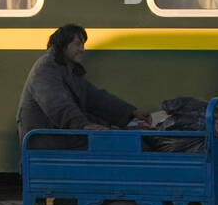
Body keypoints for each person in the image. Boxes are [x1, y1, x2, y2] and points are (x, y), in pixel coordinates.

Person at [16, 24, 150, 149]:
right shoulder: (46, 68)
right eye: (78, 45)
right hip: (46, 141)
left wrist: (130, 112)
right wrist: (83, 126)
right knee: (125, 145)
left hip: (60, 136)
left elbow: (96, 97)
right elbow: (57, 104)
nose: (82, 50)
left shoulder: (69, 69)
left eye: (83, 45)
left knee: (127, 141)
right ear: (63, 46)